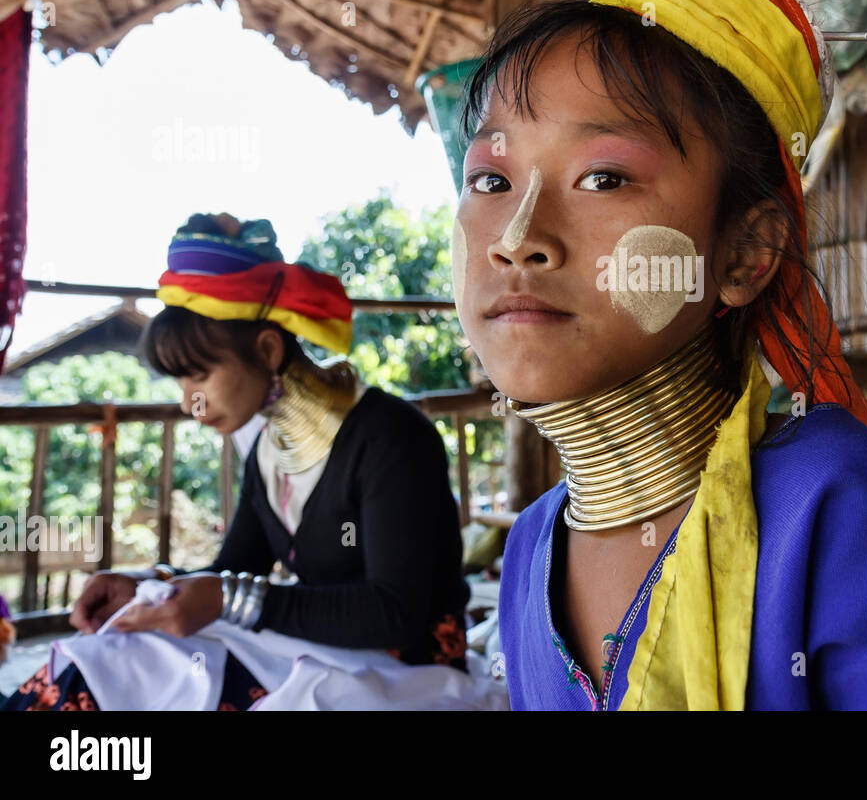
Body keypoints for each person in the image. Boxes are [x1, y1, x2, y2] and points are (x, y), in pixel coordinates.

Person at [450, 0, 867, 710]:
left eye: (604, 178)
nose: (518, 239)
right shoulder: (529, 550)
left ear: (746, 254)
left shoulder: (848, 512)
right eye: (492, 181)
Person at [3, 213, 498, 710]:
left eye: (197, 376)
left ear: (266, 349)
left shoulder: (389, 436)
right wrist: (146, 583)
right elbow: (236, 568)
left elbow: (396, 611)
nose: (186, 402)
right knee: (115, 658)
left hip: (409, 669)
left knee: (134, 677)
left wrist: (225, 599)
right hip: (327, 652)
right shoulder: (267, 449)